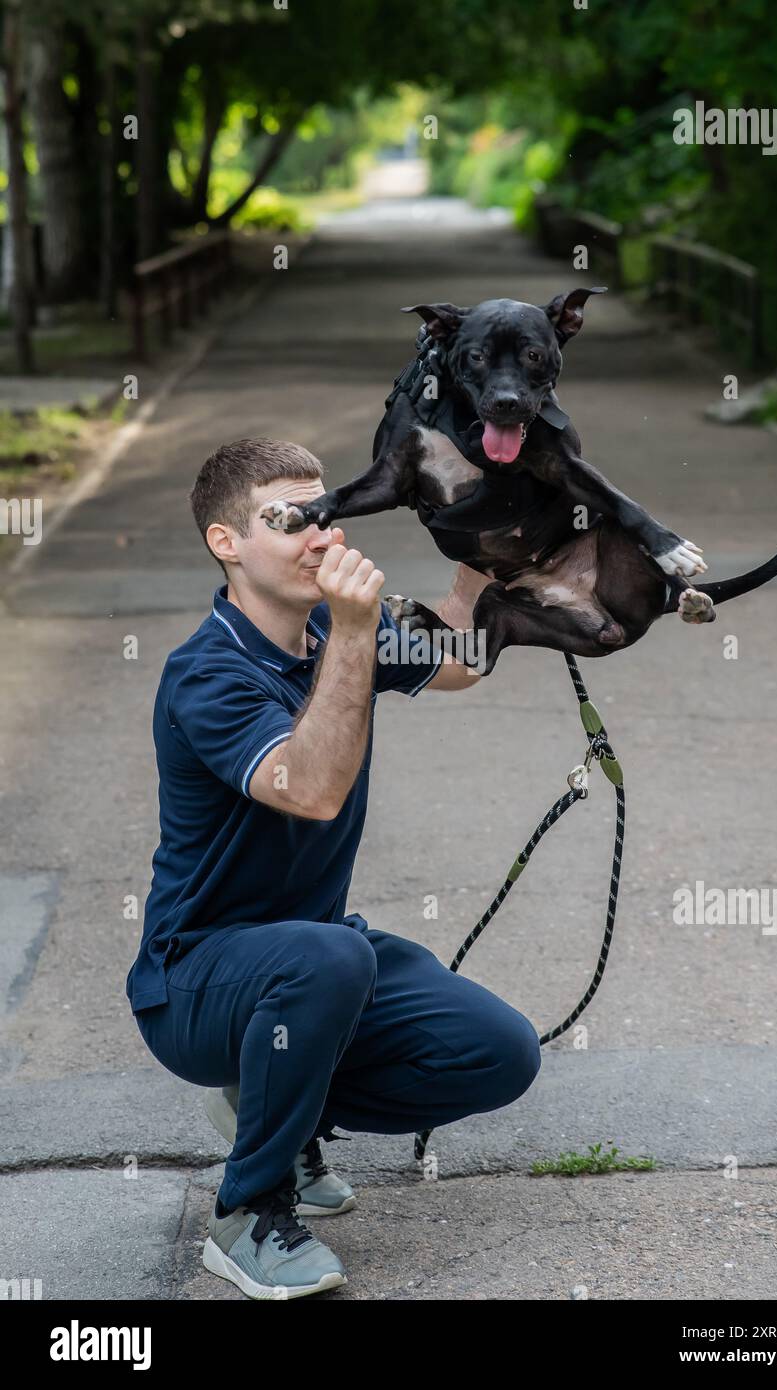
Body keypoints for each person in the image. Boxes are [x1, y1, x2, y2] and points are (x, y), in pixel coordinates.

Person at [125, 437, 542, 1301]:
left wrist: (475, 549)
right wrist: (357, 634)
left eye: (325, 514)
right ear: (225, 542)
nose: (319, 536)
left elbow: (460, 659)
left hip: (309, 961)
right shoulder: (206, 674)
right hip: (194, 980)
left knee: (501, 1053)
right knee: (329, 958)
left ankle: (283, 1107)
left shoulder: (330, 629)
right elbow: (309, 789)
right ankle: (248, 1213)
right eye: (287, 520)